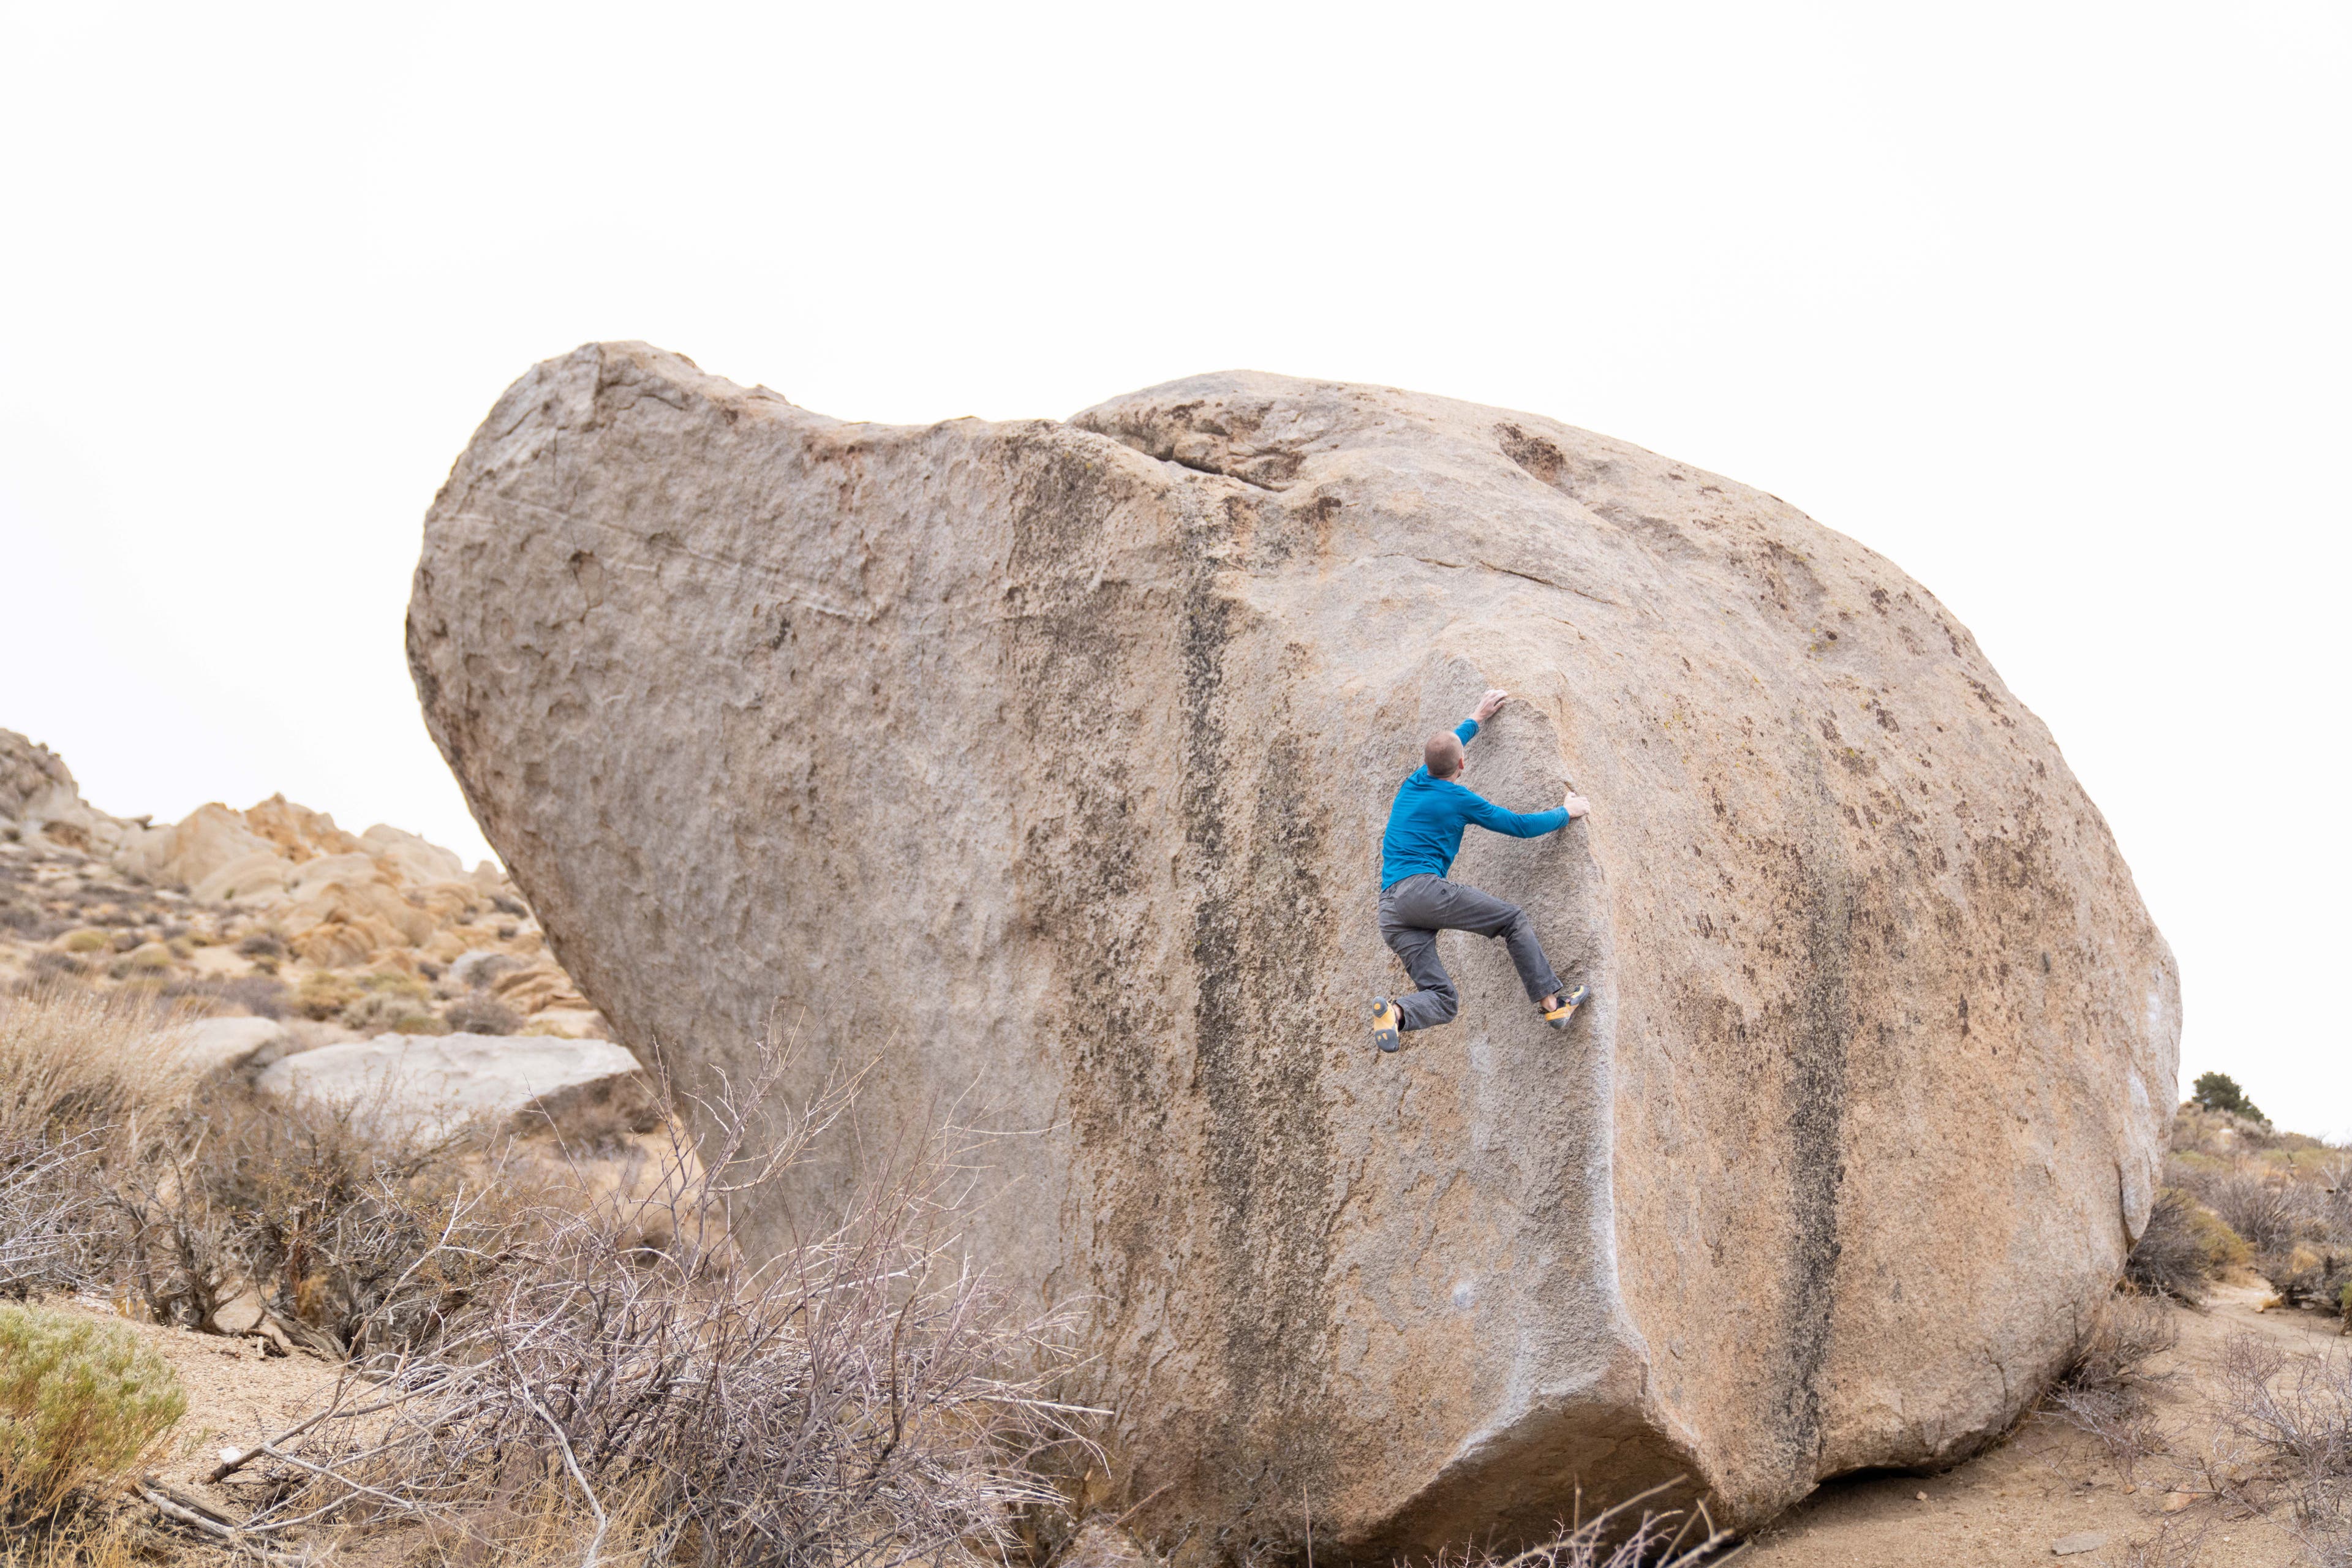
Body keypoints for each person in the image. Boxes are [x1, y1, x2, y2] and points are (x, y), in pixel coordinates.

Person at [1370, 688, 1590, 1053]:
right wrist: (1566, 812)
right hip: (1421, 891)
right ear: (1462, 764)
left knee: (1443, 999)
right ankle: (1553, 1005)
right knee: (1512, 920)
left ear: (1427, 764)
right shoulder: (1459, 799)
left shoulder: (1414, 783)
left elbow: (1445, 750)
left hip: (1391, 913)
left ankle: (1396, 1013)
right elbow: (1520, 826)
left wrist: (1477, 717)